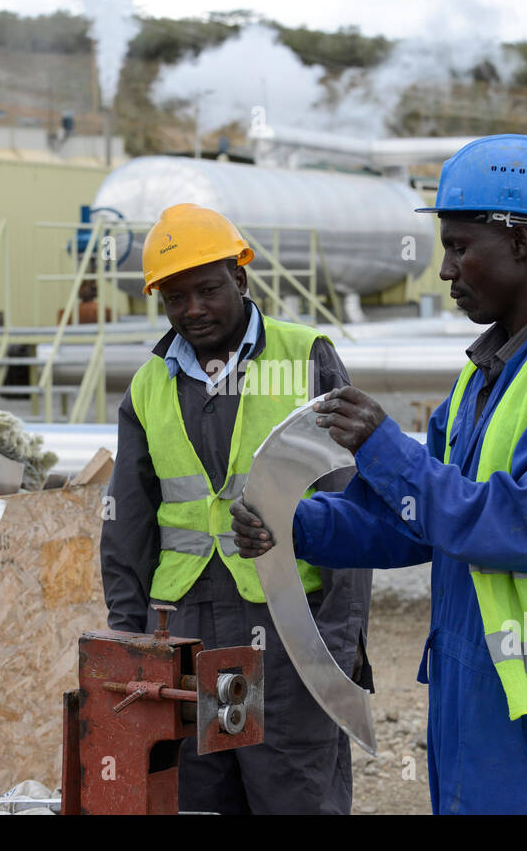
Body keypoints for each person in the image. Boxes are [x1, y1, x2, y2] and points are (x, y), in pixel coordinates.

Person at [232, 136, 527, 814]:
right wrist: (292, 521)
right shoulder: (484, 377)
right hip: (479, 688)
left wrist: (385, 447)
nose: (445, 270)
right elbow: (412, 521)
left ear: (519, 241)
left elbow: (525, 527)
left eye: (460, 247)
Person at [101, 203, 372, 814]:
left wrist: (336, 642)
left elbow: (352, 511)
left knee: (292, 792)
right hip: (186, 632)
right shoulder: (149, 384)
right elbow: (128, 522)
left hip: (285, 631)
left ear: (241, 279)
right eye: (174, 297)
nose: (192, 309)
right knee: (202, 799)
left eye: (207, 289)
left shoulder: (306, 358)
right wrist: (129, 637)